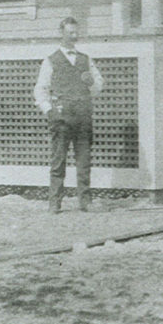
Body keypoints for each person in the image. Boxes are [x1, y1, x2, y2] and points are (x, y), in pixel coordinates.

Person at [33, 17, 103, 213]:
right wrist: (49, 111)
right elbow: (40, 89)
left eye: (76, 32)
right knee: (58, 160)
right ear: (61, 33)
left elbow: (98, 87)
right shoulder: (51, 60)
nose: (74, 36)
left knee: (84, 160)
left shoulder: (86, 59)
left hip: (83, 117)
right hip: (62, 118)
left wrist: (91, 83)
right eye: (70, 32)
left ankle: (85, 201)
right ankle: (54, 202)